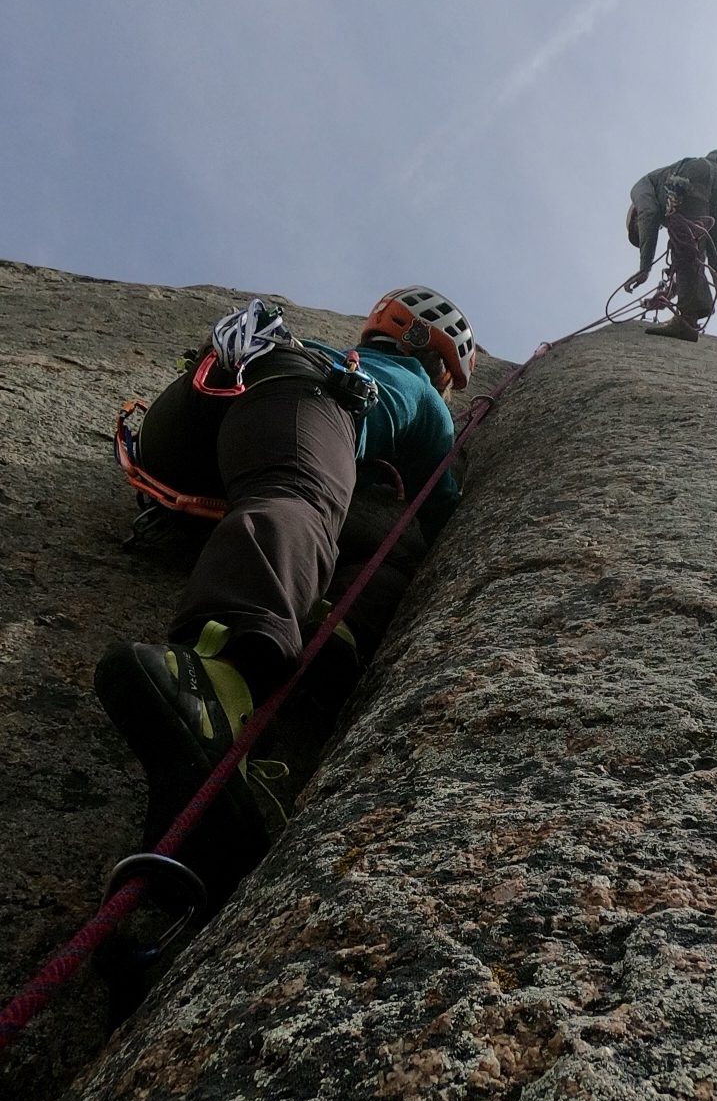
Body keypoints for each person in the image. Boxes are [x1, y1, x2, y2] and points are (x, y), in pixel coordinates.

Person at [95, 287, 476, 896]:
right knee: (306, 495)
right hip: (297, 400)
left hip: (187, 423)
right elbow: (440, 500)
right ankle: (218, 676)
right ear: (439, 361)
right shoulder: (422, 394)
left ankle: (300, 634)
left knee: (333, 498)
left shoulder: (340, 354)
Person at [625, 148, 717, 351]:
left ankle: (687, 320)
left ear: (633, 216)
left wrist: (645, 268)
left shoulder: (639, 189)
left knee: (687, 243)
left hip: (694, 174)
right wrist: (671, 291)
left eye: (637, 230)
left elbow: (649, 214)